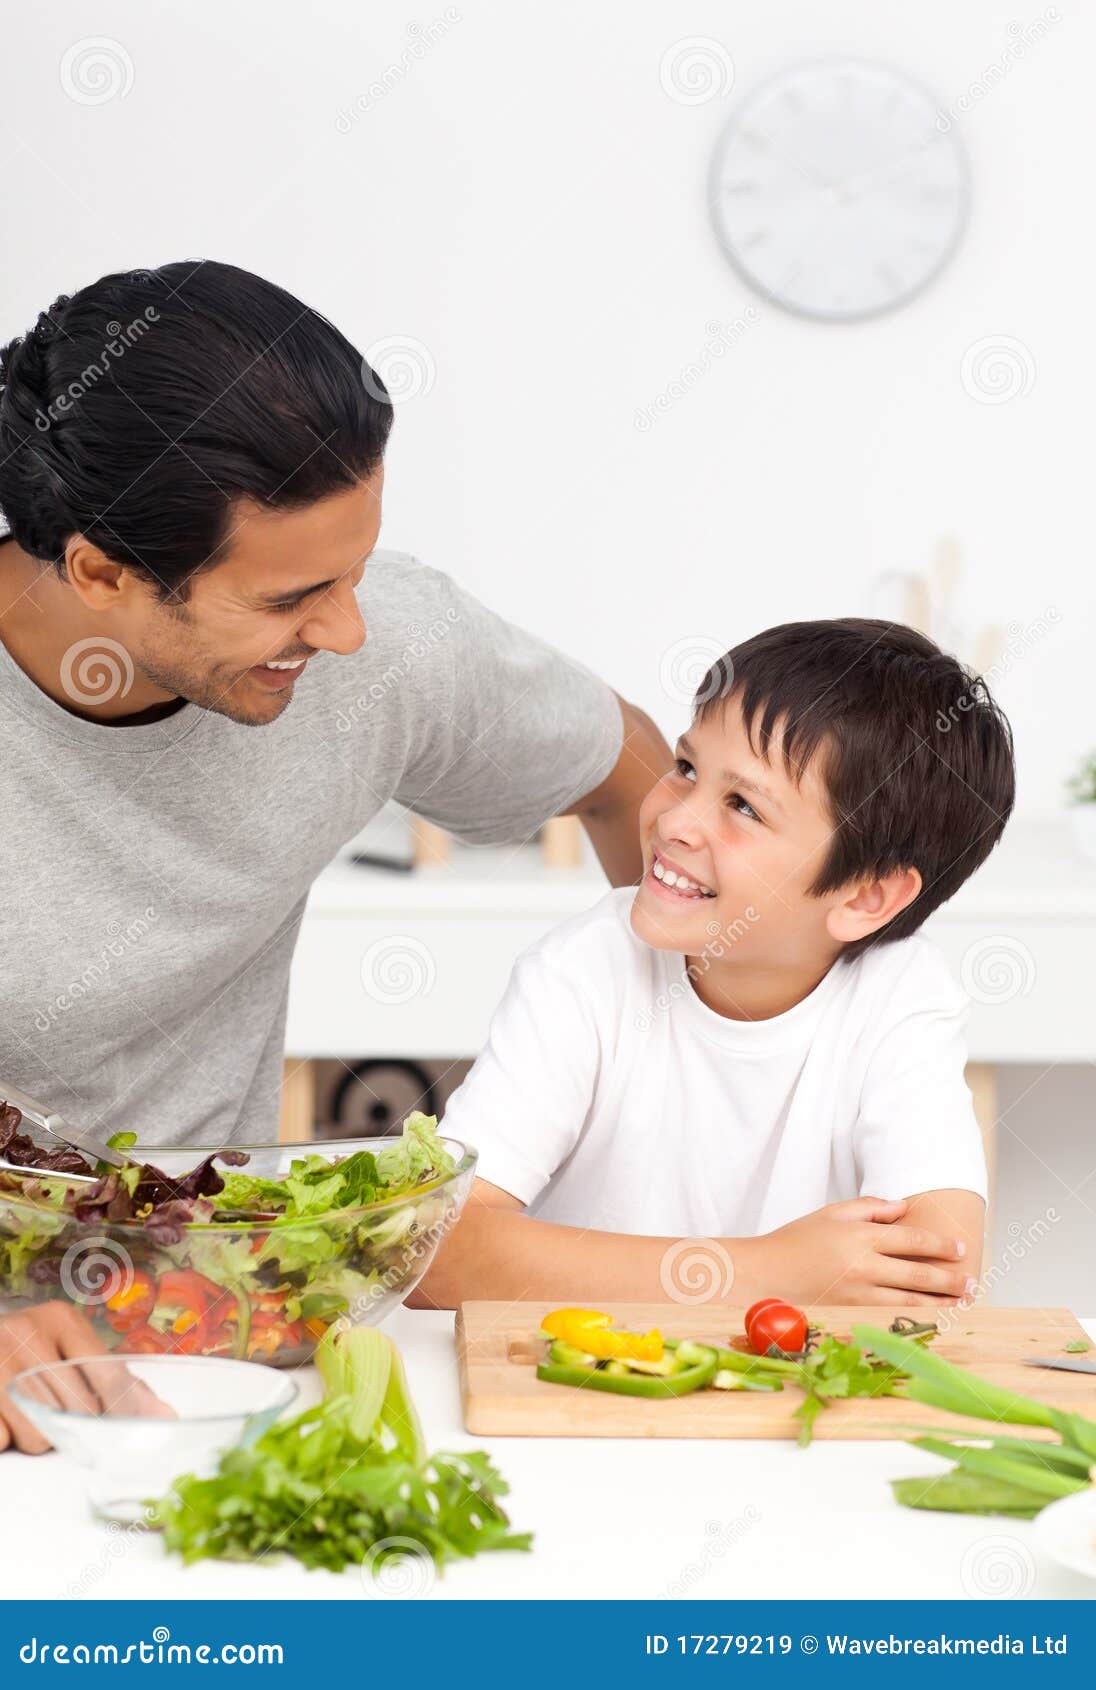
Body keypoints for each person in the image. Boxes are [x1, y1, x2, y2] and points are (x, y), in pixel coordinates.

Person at [417, 619, 1016, 1310]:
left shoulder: (900, 994)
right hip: (581, 1390)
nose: (675, 821)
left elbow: (936, 1275)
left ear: (867, 896)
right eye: (685, 768)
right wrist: (762, 1272)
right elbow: (435, 1250)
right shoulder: (582, 971)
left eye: (741, 805)